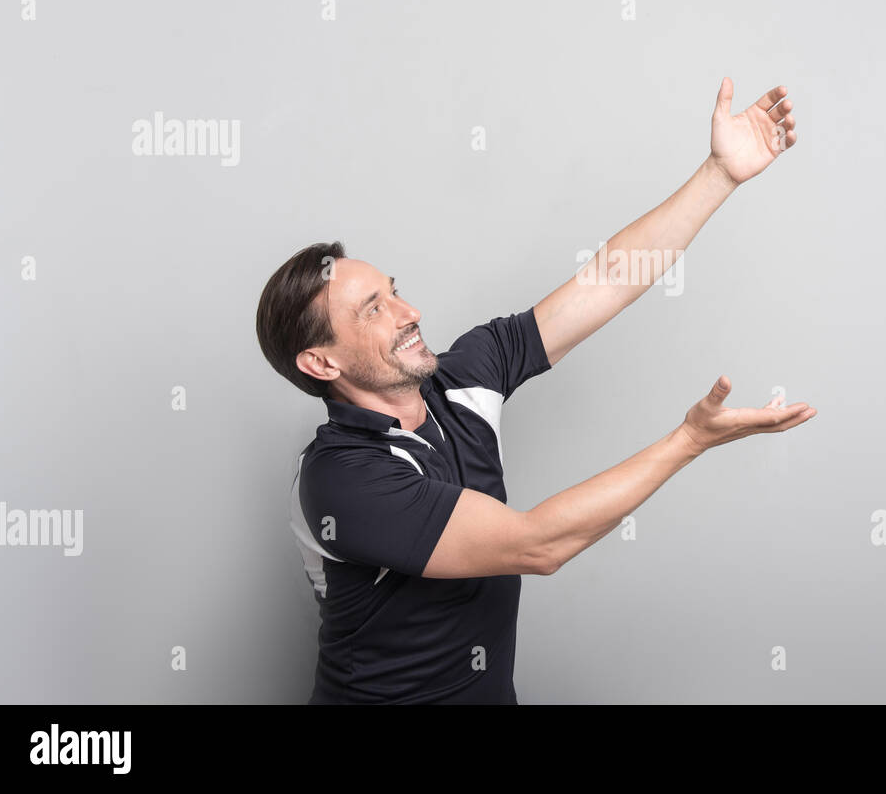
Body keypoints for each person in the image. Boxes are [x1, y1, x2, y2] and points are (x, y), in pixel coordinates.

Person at [255, 78, 816, 703]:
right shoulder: (340, 479)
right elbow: (537, 544)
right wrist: (689, 440)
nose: (408, 311)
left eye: (394, 289)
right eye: (373, 309)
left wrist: (719, 174)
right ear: (321, 362)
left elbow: (606, 280)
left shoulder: (463, 376)